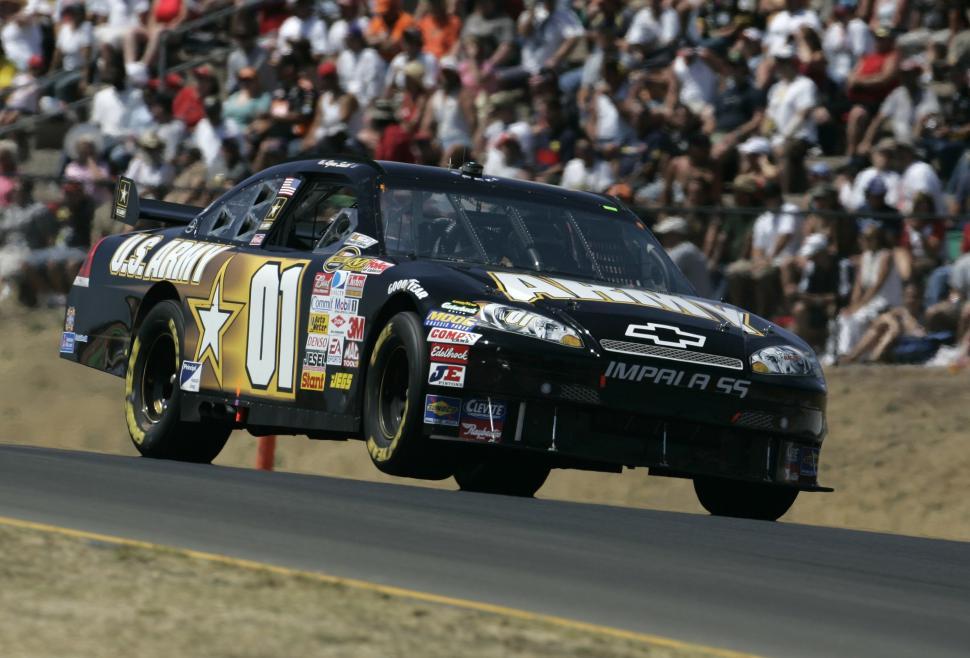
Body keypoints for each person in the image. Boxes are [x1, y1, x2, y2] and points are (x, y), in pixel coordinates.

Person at [831, 221, 903, 361]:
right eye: (862, 237)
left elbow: (877, 285)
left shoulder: (886, 256)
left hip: (886, 302)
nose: (863, 241)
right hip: (871, 302)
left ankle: (852, 356)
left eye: (868, 238)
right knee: (845, 317)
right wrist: (852, 306)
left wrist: (859, 306)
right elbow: (858, 286)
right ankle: (843, 353)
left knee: (858, 317)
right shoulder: (864, 257)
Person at [764, 42, 818, 193]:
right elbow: (769, 116)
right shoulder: (776, 88)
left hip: (800, 136)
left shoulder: (805, 84)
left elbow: (804, 113)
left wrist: (784, 137)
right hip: (778, 137)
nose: (779, 66)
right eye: (778, 62)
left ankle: (785, 194)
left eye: (783, 62)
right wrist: (767, 134)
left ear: (793, 63)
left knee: (785, 150)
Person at [654, 216, 713, 298]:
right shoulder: (687, 249)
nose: (663, 239)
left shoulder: (686, 250)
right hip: (691, 300)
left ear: (676, 235)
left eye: (667, 235)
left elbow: (663, 270)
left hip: (693, 301)